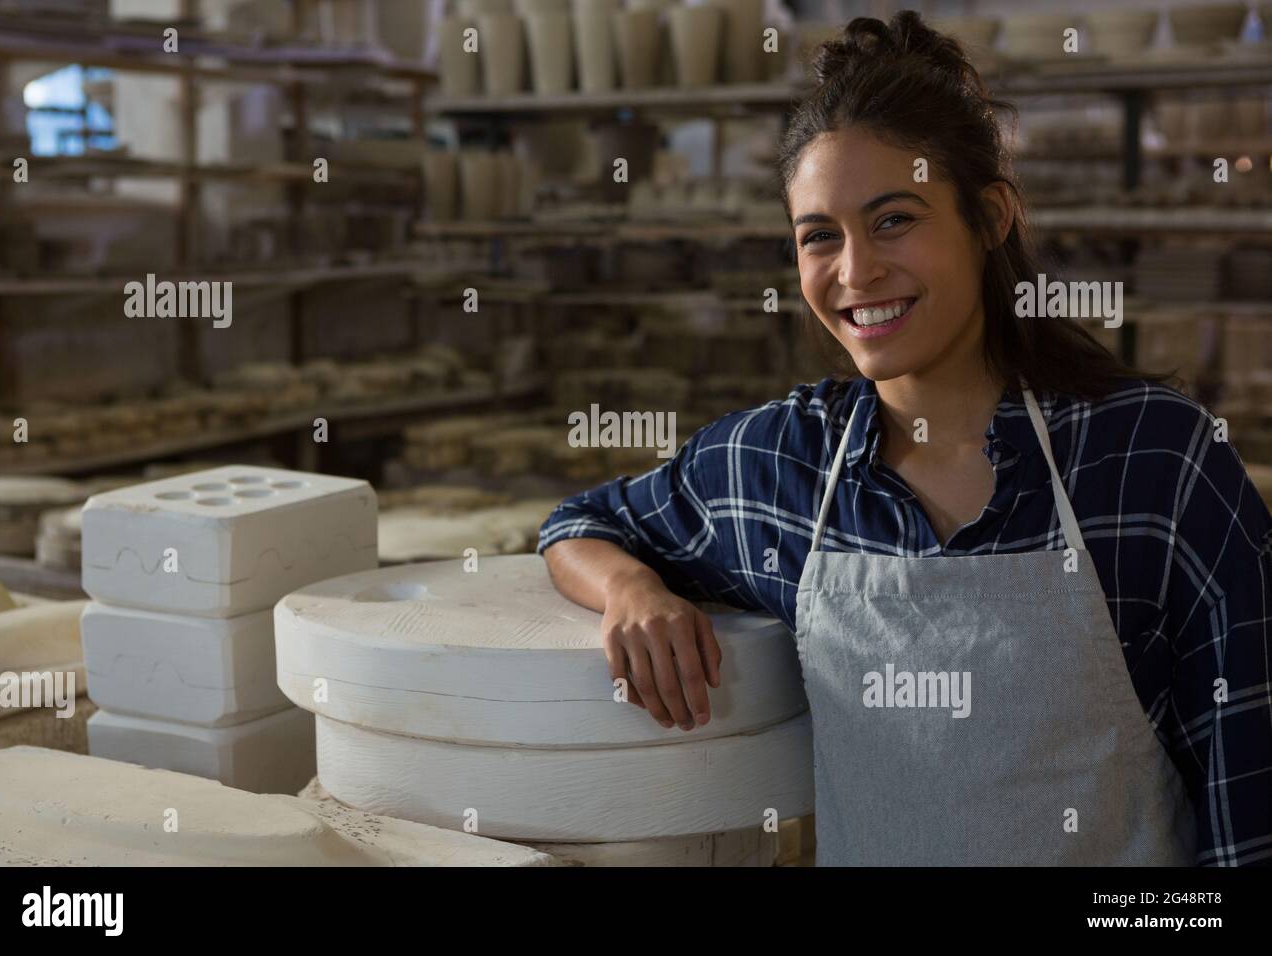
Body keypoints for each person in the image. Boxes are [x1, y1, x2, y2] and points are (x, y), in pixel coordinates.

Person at [537, 12, 1272, 866]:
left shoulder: (1153, 460)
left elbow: (1250, 808)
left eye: (894, 221)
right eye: (820, 237)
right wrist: (633, 590)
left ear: (990, 216)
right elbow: (580, 523)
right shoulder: (785, 468)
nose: (856, 272)